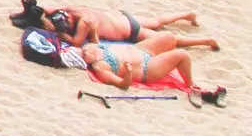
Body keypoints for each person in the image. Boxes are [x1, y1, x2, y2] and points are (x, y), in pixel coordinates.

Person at [82, 38, 223, 107]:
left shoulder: (91, 47)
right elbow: (123, 85)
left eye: (84, 50)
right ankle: (192, 86)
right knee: (182, 55)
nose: (87, 52)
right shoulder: (100, 68)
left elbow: (90, 40)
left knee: (169, 37)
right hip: (146, 68)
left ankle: (207, 41)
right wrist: (129, 73)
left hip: (140, 50)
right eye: (84, 55)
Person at [45, 6, 207, 48]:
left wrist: (59, 33)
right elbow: (50, 9)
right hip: (121, 17)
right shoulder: (73, 10)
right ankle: (187, 14)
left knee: (169, 40)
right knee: (156, 22)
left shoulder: (84, 22)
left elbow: (76, 42)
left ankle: (205, 41)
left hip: (129, 31)